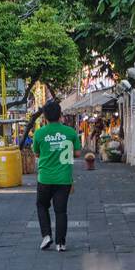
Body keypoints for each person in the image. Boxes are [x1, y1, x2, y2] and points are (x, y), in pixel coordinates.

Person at [31, 99, 81, 252]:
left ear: (44, 117)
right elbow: (78, 153)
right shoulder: (71, 132)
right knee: (61, 210)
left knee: (41, 206)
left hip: (45, 178)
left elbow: (37, 153)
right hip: (64, 179)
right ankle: (61, 243)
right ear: (60, 115)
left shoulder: (39, 133)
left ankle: (46, 236)